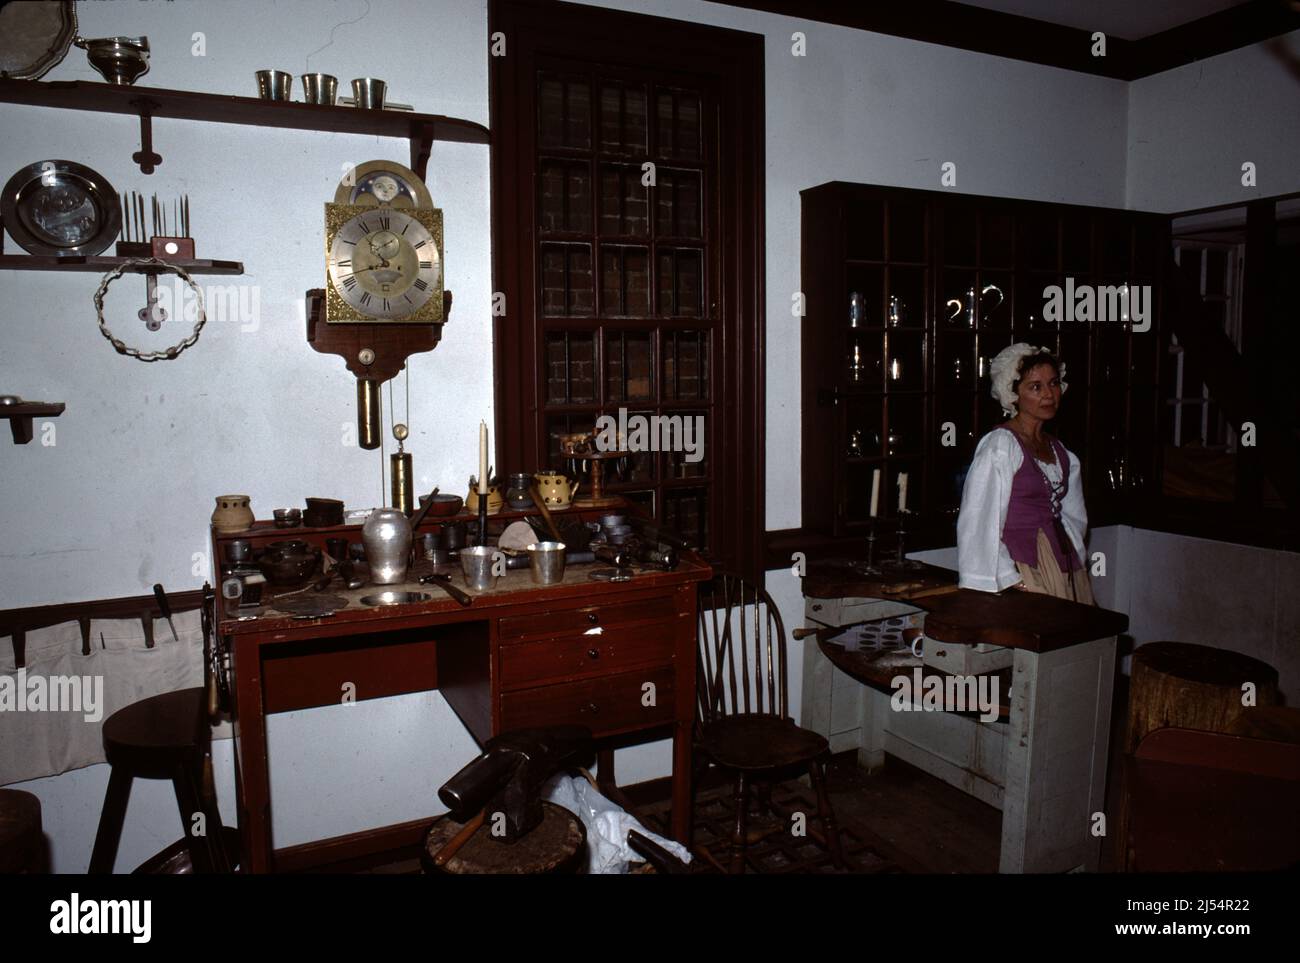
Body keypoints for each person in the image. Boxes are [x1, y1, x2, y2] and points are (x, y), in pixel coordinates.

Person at [956, 343, 1094, 603]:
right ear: (1013, 393)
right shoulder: (1001, 445)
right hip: (1021, 566)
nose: (1049, 395)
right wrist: (1008, 576)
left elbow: (1074, 516)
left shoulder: (1060, 451)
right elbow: (979, 519)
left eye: (1053, 383)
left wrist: (1074, 558)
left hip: (1061, 564)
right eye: (1035, 387)